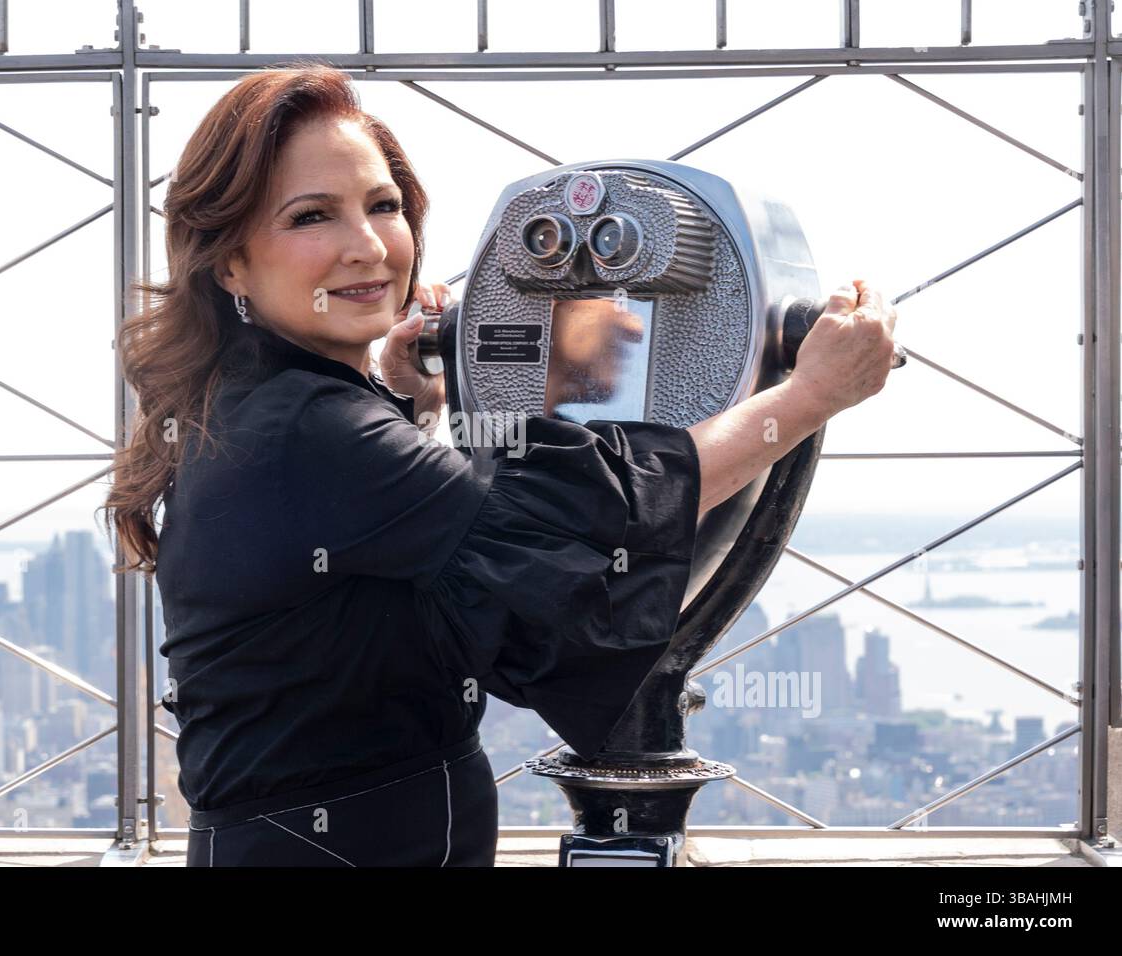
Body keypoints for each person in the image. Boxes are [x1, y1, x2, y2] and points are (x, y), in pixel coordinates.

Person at [99, 65, 898, 867]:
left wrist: (412, 408)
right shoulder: (307, 426)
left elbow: (413, 558)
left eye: (384, 206)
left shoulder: (266, 401)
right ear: (229, 262)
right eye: (313, 217)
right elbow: (583, 517)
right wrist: (809, 395)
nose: (369, 246)